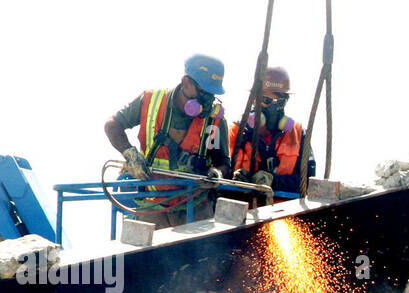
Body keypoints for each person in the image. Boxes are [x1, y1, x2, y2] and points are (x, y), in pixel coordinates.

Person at [104, 54, 231, 227]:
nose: (208, 102)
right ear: (186, 82)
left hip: (196, 209)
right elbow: (112, 125)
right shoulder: (151, 102)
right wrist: (130, 153)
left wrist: (217, 174)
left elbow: (223, 162)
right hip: (153, 206)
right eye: (203, 93)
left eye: (212, 95)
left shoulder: (214, 119)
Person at [228, 66, 308, 196]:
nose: (274, 108)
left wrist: (273, 181)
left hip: (282, 213)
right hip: (241, 212)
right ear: (254, 100)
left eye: (280, 102)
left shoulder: (298, 134)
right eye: (267, 100)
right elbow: (216, 172)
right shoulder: (235, 133)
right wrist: (233, 178)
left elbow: (308, 182)